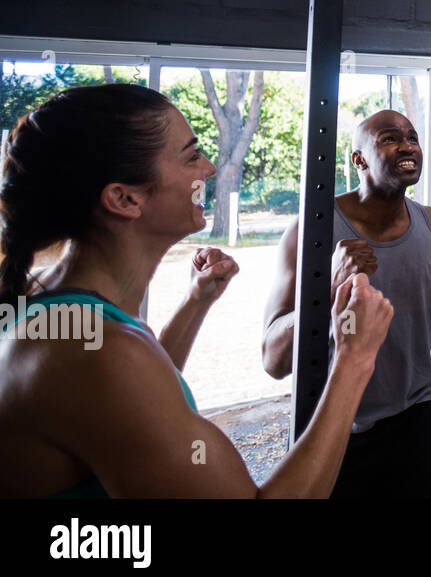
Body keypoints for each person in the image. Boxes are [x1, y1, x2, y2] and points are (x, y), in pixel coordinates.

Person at [0, 84, 393, 497]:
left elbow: (133, 405)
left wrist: (196, 302)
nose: (208, 168)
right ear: (124, 198)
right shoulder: (94, 352)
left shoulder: (58, 306)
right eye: (191, 155)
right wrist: (354, 359)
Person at [262, 109, 431, 499]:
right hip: (336, 426)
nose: (408, 145)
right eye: (390, 138)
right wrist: (328, 288)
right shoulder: (313, 229)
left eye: (412, 137)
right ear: (358, 159)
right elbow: (272, 359)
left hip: (416, 423)